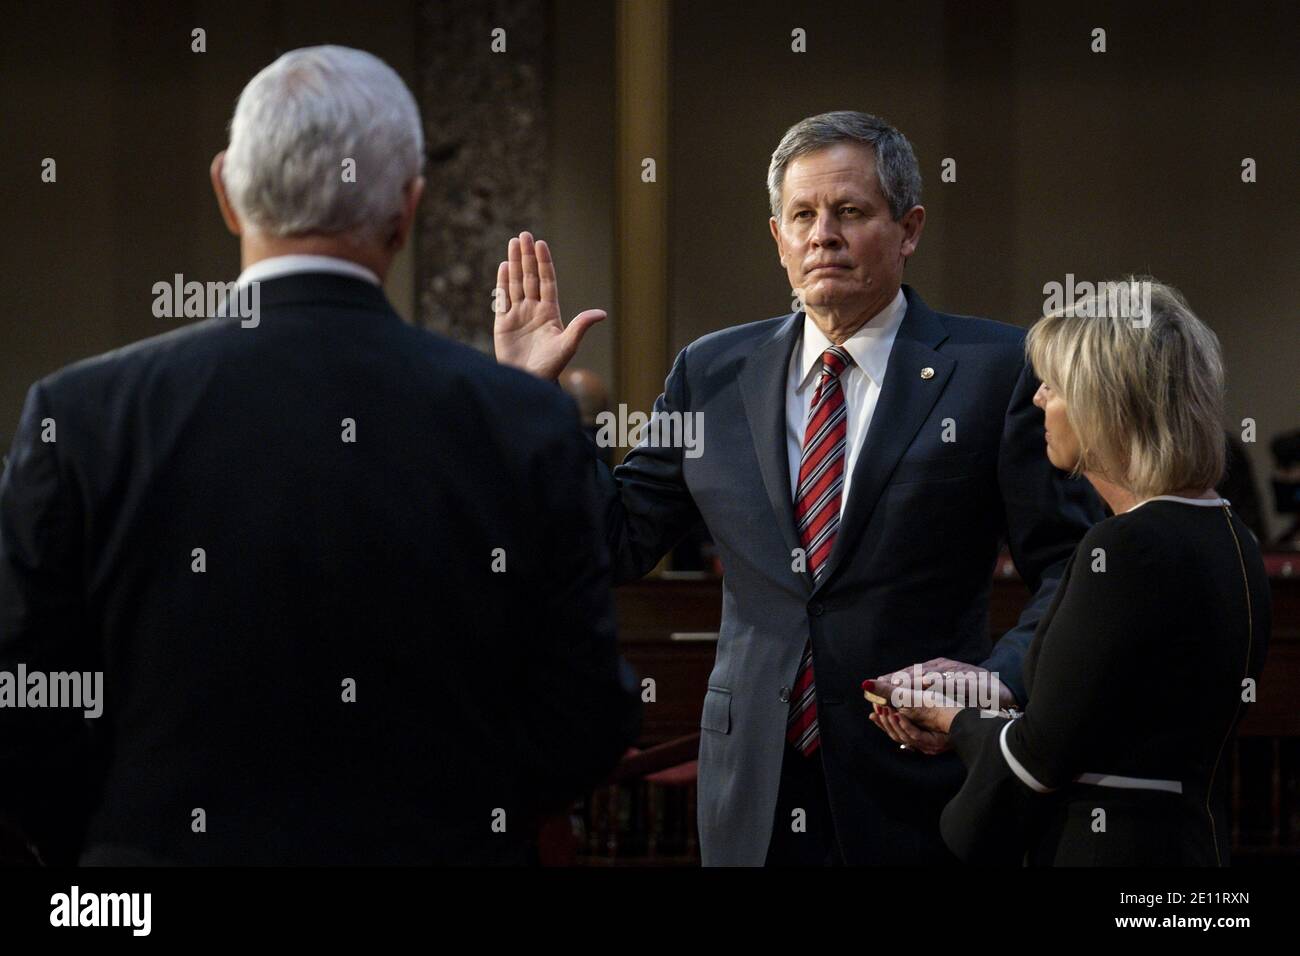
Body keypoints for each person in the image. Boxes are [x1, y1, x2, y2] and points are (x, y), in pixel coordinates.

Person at [0, 45, 639, 866]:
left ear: (227, 190)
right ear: (408, 209)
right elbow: (583, 723)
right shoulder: (522, 422)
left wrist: (110, 857)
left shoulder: (81, 415)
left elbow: (25, 707)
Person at [493, 110, 1102, 865]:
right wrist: (537, 403)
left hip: (923, 769)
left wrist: (994, 684)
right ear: (777, 235)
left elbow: (1073, 565)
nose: (824, 235)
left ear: (908, 228)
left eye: (851, 212)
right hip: (752, 779)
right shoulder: (711, 371)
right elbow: (617, 542)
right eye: (803, 215)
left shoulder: (995, 367)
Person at [876, 280, 1271, 865]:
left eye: (1054, 385)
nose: (1037, 400)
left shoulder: (1126, 546)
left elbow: (1038, 762)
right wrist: (985, 698)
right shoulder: (1228, 533)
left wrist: (952, 719)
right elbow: (1108, 716)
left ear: (1104, 403)